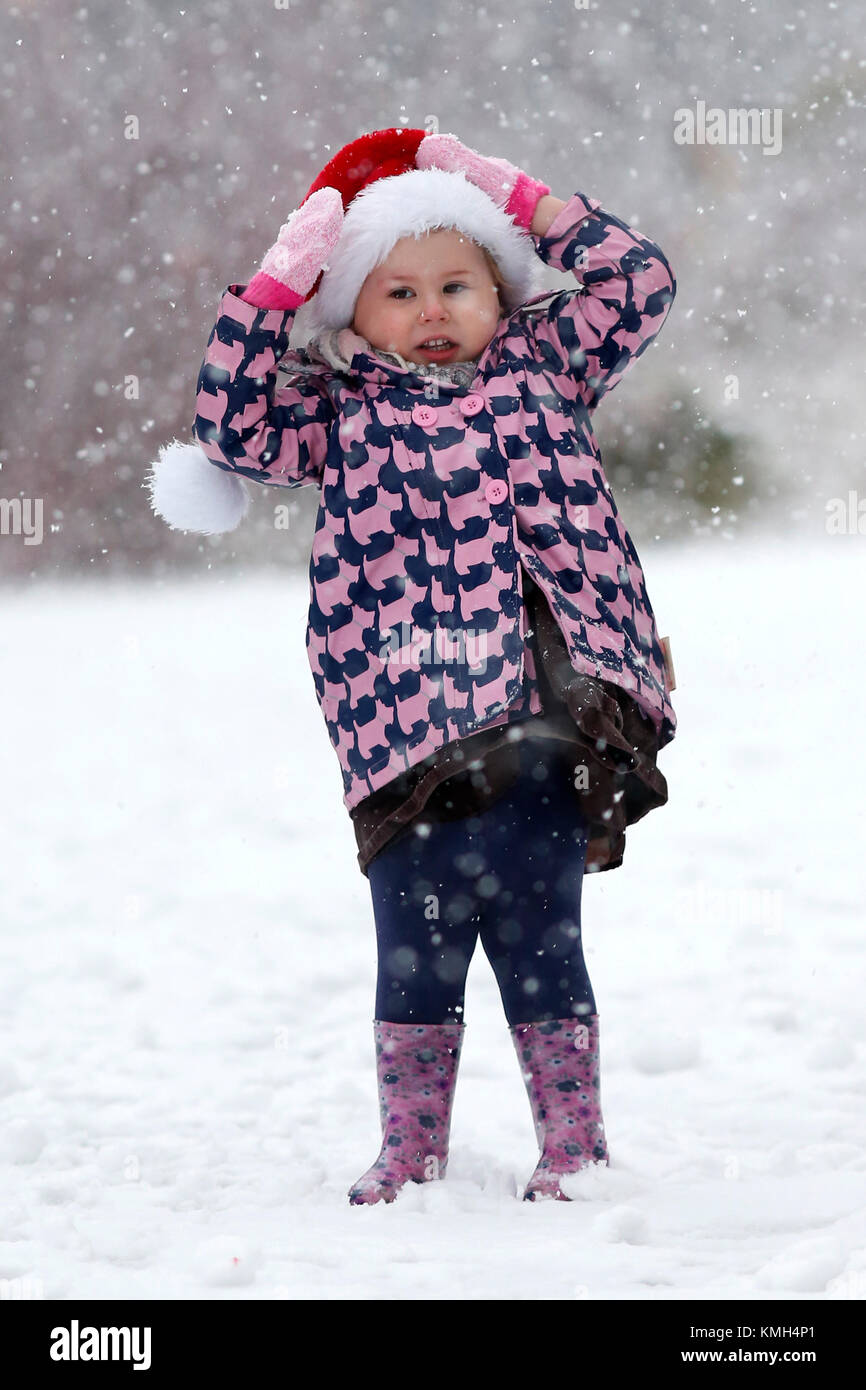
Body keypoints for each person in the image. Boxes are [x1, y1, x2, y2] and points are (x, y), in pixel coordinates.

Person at [148, 126, 678, 1205]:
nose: (430, 311)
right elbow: (227, 422)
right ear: (350, 312)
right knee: (417, 935)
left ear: (501, 293)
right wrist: (278, 280)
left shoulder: (545, 361)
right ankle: (410, 1151)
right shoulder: (337, 410)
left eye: (454, 285)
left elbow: (640, 281)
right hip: (403, 729)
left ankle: (573, 1147)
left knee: (539, 926)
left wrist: (515, 194)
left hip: (546, 714)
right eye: (397, 293)